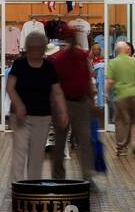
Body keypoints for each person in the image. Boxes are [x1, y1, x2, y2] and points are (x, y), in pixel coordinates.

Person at [6, 31, 68, 181]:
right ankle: (17, 185)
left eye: (38, 47)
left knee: (37, 154)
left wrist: (63, 112)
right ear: (27, 48)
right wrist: (19, 105)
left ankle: (33, 185)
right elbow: (10, 87)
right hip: (20, 117)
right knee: (19, 151)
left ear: (43, 48)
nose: (35, 50)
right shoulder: (19, 65)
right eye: (32, 47)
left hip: (42, 117)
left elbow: (57, 92)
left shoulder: (49, 67)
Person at [51, 24, 95, 181]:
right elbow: (55, 86)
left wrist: (91, 99)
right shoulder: (60, 59)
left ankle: (87, 176)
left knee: (83, 140)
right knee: (62, 141)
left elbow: (87, 78)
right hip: (67, 102)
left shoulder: (80, 56)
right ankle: (58, 176)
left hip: (80, 102)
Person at [106, 40, 135, 157]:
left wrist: (107, 93)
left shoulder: (113, 62)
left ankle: (122, 148)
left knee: (121, 122)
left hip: (121, 95)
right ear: (126, 50)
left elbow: (110, 81)